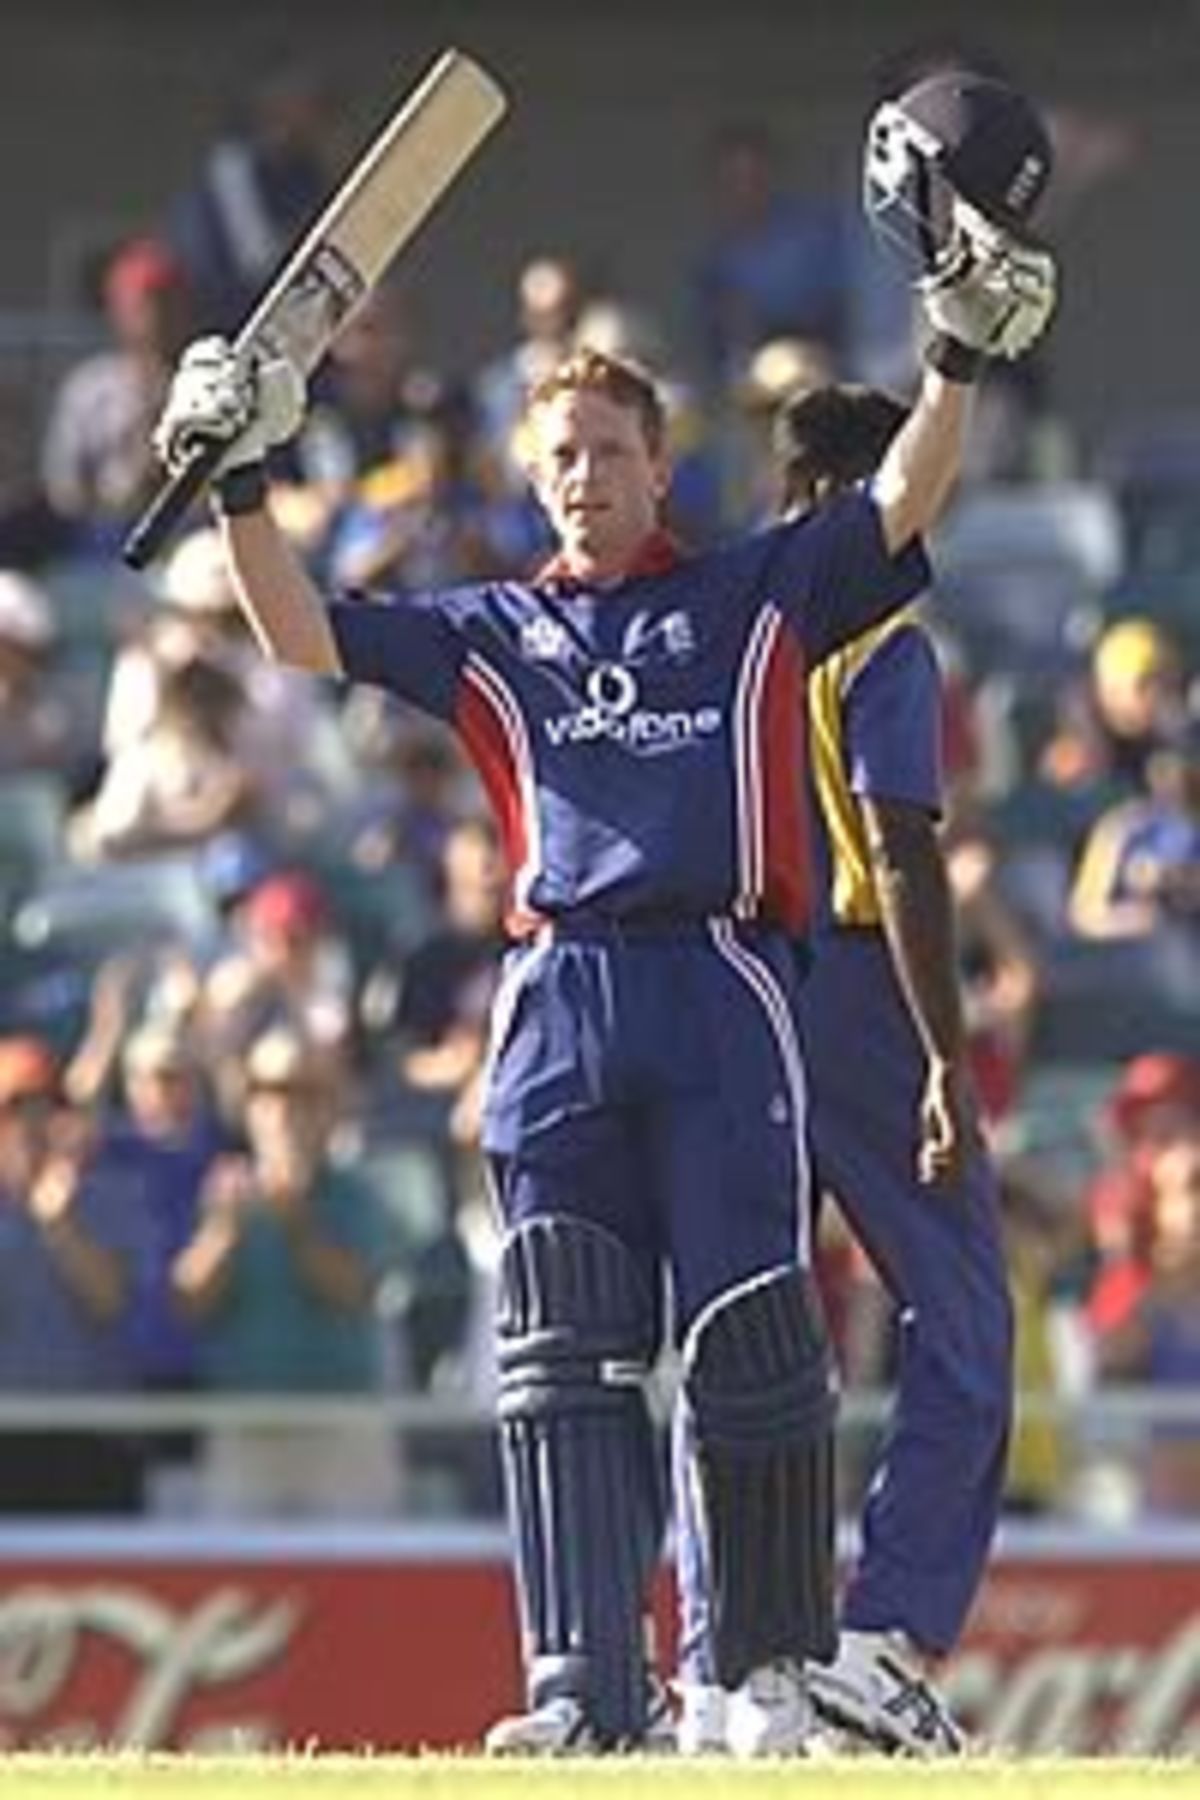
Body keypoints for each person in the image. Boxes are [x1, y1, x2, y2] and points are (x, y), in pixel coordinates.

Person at [149, 161, 1054, 1752]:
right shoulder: (495, 631)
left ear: (660, 465)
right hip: (559, 994)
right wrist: (239, 476)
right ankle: (583, 1693)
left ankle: (762, 1681)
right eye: (561, 456)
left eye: (612, 452)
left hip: (722, 984)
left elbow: (904, 495)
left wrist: (957, 355)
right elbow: (297, 631)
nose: (585, 477)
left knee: (753, 1344)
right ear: (534, 471)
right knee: (563, 1347)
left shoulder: (749, 598)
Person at [673, 383, 1012, 1756]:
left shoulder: (730, 635)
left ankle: (722, 1666)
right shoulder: (881, 636)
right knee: (965, 1317)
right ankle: (882, 1643)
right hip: (858, 989)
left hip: (727, 979)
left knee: (742, 1336)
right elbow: (902, 844)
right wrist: (945, 1051)